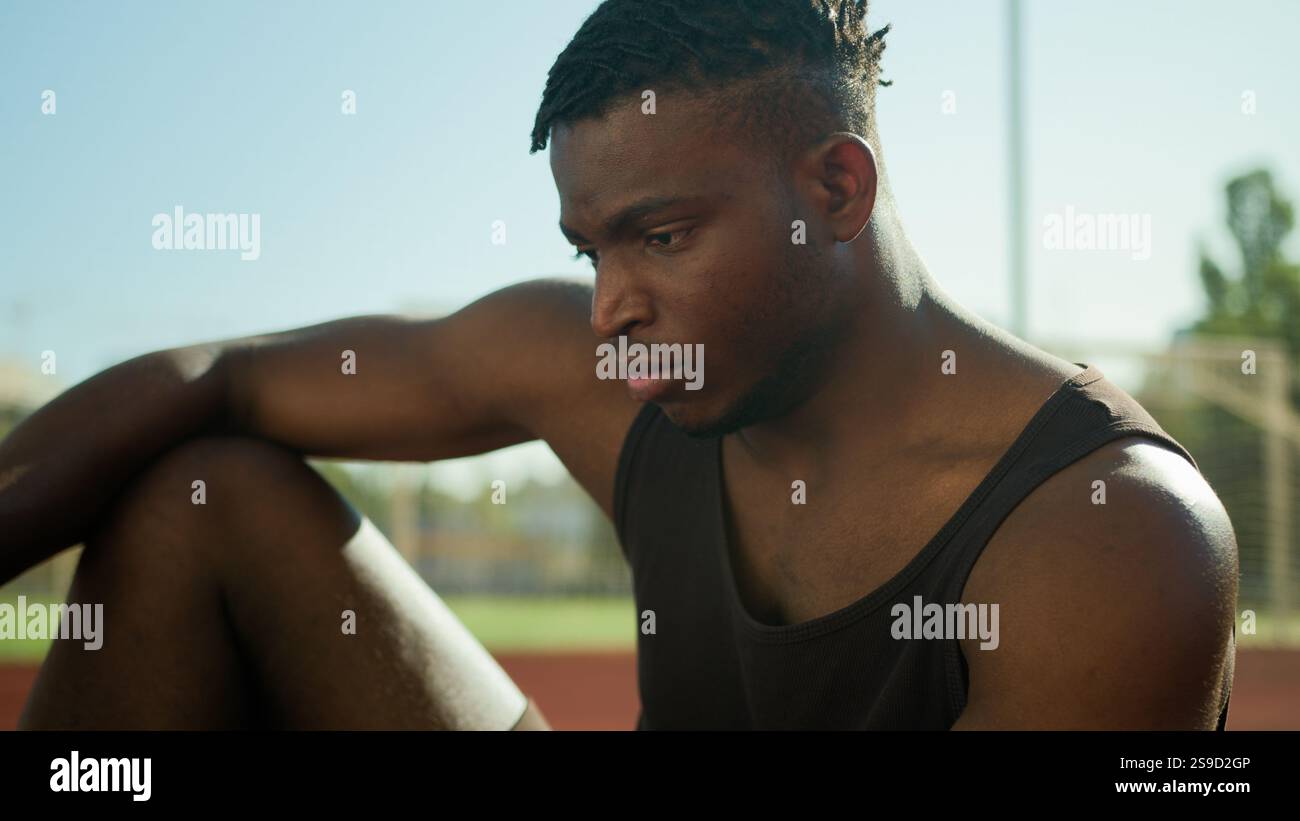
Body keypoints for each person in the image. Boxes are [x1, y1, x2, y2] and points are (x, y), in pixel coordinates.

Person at [0, 0, 1236, 730]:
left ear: (836, 186)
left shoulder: (1110, 536)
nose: (608, 308)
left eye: (659, 236)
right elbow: (213, 371)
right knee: (201, 497)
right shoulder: (623, 370)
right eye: (589, 251)